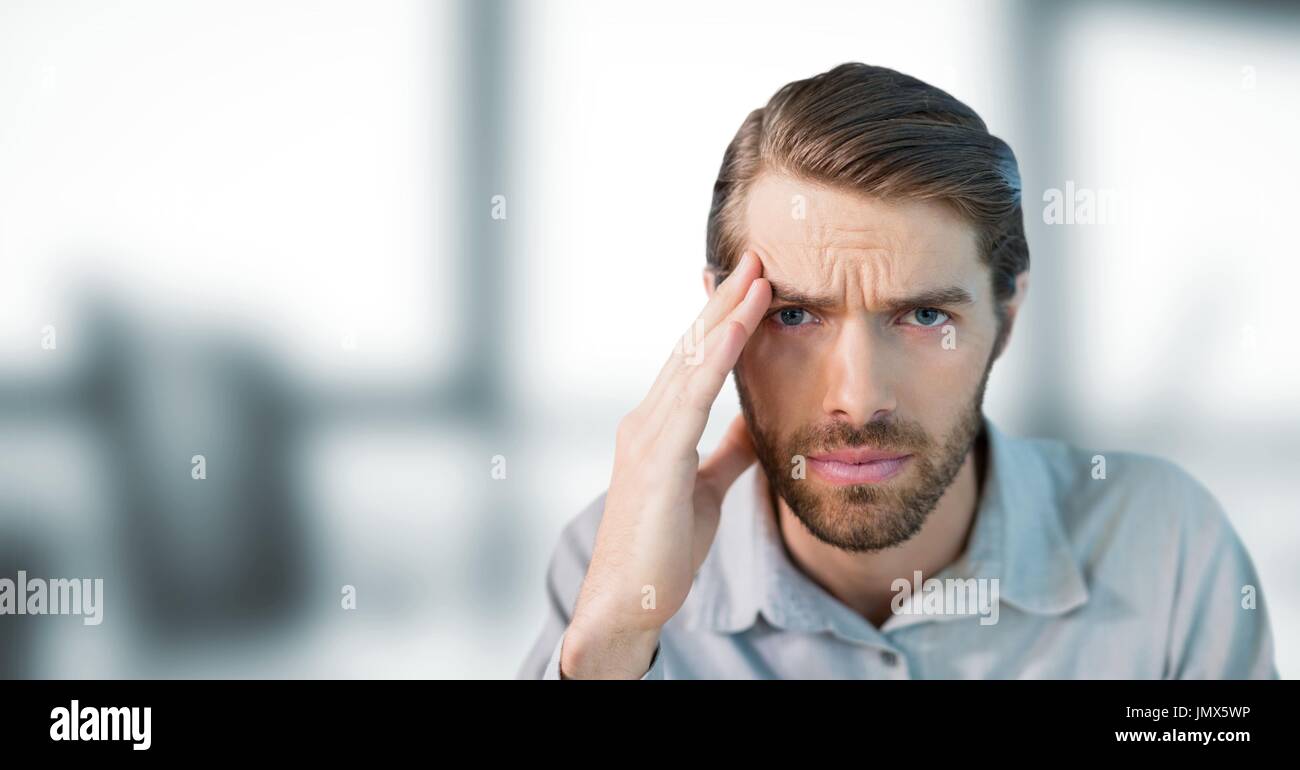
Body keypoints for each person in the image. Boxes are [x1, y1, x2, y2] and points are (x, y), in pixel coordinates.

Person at [517, 63, 1277, 679]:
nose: (857, 400)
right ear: (719, 325)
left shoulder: (1168, 544)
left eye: (923, 318)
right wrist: (610, 648)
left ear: (1006, 318)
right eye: (792, 315)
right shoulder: (609, 563)